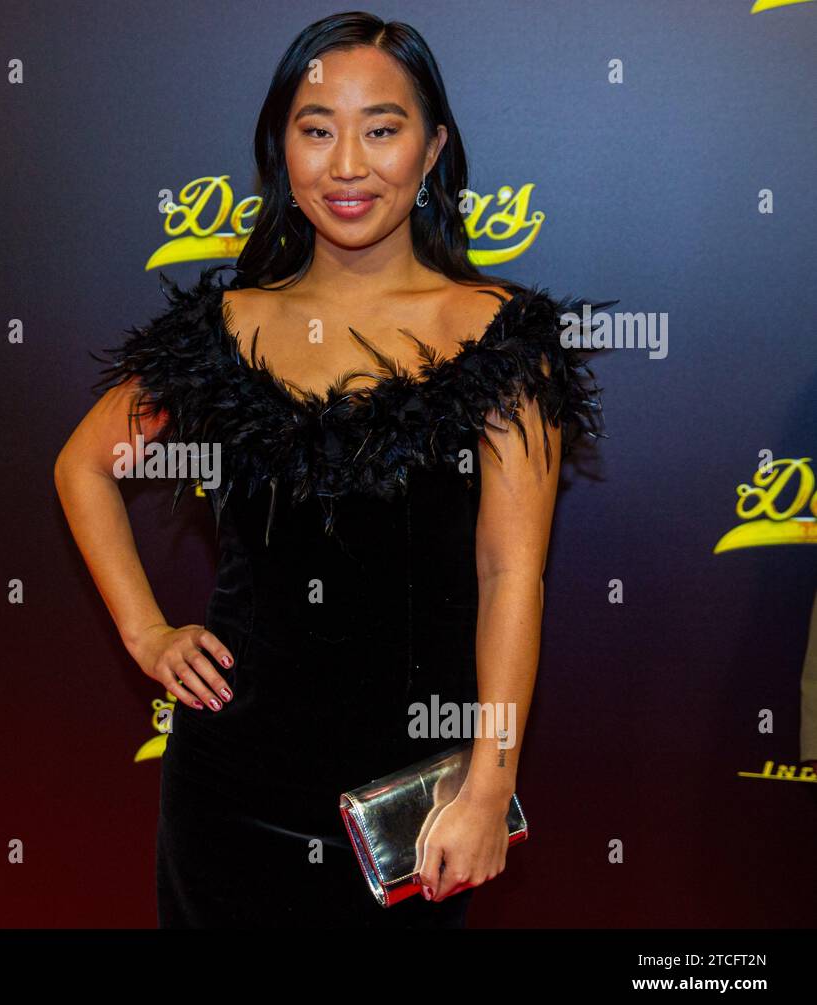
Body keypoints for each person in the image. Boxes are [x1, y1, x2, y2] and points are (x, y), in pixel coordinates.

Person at [54, 13, 613, 928]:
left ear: (431, 150)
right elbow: (82, 467)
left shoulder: (501, 336)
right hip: (226, 788)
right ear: (282, 150)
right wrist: (148, 634)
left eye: (381, 129)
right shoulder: (222, 327)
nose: (347, 164)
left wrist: (487, 786)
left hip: (412, 801)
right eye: (317, 130)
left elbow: (512, 574)